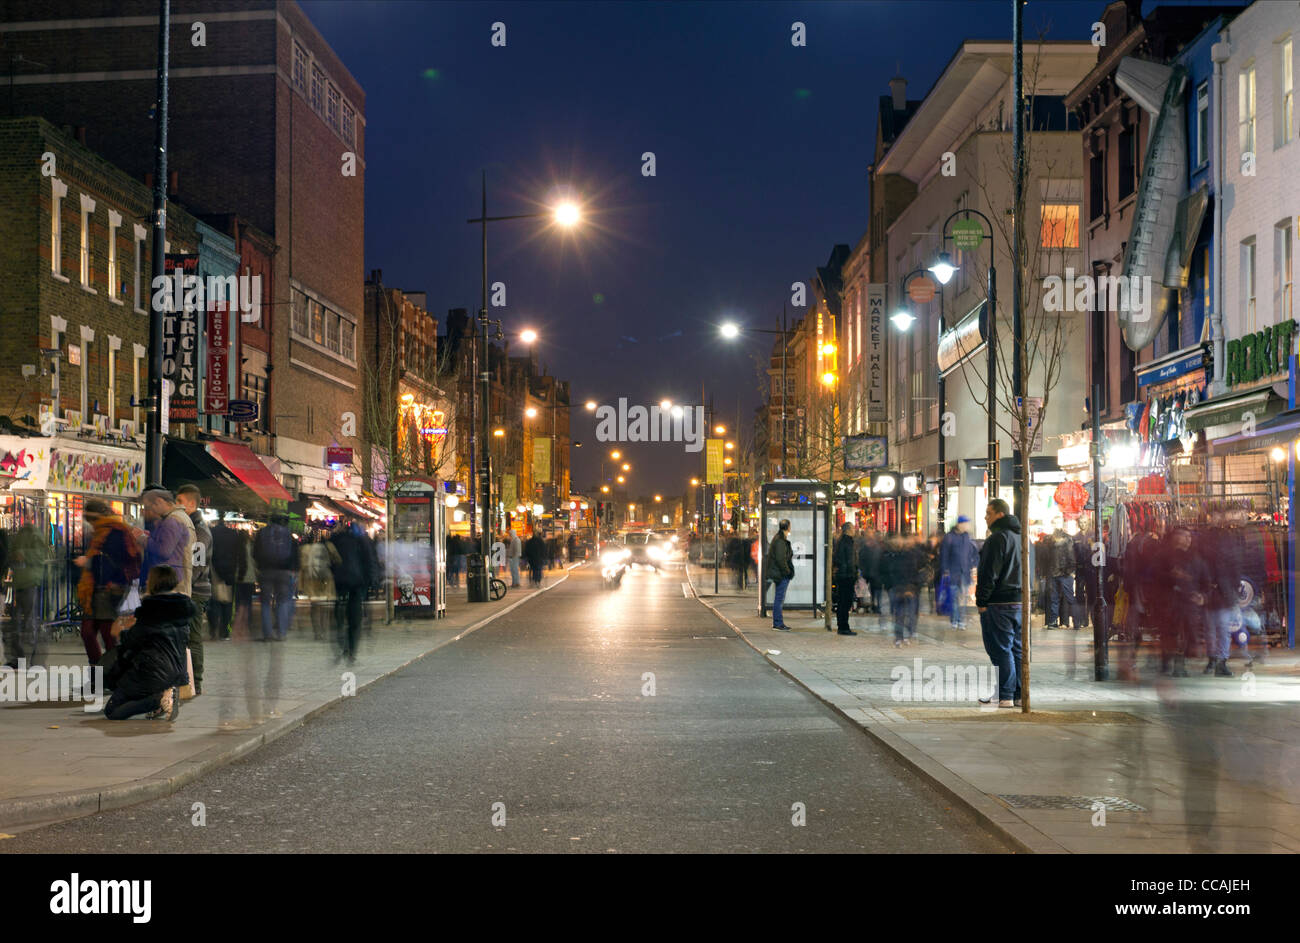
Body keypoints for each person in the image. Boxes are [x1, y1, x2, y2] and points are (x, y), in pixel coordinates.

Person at [103, 565, 190, 721]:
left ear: (156, 583)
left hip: (152, 671)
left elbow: (133, 641)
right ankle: (162, 697)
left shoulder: (151, 609)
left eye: (150, 578)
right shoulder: (182, 607)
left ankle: (159, 700)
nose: (147, 580)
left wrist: (121, 632)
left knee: (112, 710)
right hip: (176, 671)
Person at [75, 498, 142, 666]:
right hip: (95, 589)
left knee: (107, 634)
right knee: (89, 632)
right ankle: (99, 672)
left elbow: (116, 560)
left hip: (109, 588)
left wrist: (89, 561)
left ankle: (110, 673)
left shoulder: (115, 531)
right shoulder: (102, 531)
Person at [976, 499, 1022, 708]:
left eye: (988, 513)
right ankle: (1018, 693)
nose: (986, 517)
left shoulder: (997, 539)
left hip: (999, 602)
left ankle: (1006, 695)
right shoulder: (1023, 538)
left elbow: (988, 573)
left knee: (1001, 649)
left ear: (1000, 515)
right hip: (1019, 601)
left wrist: (982, 601)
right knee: (1016, 650)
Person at [174, 484, 210, 694]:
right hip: (192, 588)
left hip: (195, 591)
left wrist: (185, 583)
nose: (177, 506)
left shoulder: (199, 531)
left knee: (194, 636)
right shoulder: (190, 526)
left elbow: (198, 563)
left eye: (180, 502)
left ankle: (196, 681)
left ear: (191, 504)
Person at [5, 523, 50, 668]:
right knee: (18, 623)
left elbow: (40, 555)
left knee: (28, 623)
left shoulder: (33, 535)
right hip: (21, 582)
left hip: (29, 582)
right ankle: (21, 659)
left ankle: (31, 660)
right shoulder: (23, 534)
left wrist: (21, 555)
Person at [330, 518, 374, 663]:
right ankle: (351, 651)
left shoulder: (337, 539)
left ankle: (341, 645)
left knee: (339, 616)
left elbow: (331, 559)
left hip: (340, 582)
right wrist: (370, 583)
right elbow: (369, 562)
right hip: (356, 583)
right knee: (355, 619)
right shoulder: (363, 541)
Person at [139, 487, 195, 598]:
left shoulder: (173, 520)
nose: (151, 511)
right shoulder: (180, 517)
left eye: (149, 507)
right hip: (178, 579)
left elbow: (164, 550)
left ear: (159, 501)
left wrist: (142, 539)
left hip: (172, 581)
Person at [253, 512, 298, 641]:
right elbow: (294, 554)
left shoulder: (262, 533)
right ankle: (281, 633)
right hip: (284, 572)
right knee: (282, 601)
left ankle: (267, 634)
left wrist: (260, 566)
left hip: (266, 571)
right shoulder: (289, 534)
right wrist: (293, 571)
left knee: (265, 603)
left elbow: (255, 553)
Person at [881, 535, 924, 646]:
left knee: (903, 614)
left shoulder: (901, 556)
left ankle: (901, 636)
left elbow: (913, 573)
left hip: (903, 588)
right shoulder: (900, 556)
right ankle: (902, 636)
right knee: (904, 613)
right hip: (902, 588)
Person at [208, 518, 247, 641]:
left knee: (214, 601)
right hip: (230, 571)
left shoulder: (211, 533)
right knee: (228, 603)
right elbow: (241, 553)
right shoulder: (233, 535)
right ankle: (224, 631)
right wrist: (242, 571)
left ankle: (213, 629)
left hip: (214, 570)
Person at [300, 532, 341, 641]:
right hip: (326, 577)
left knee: (315, 606)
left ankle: (317, 632)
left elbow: (303, 565)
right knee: (324, 606)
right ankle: (323, 630)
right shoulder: (329, 546)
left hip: (312, 578)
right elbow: (338, 560)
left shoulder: (306, 548)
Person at [939, 516, 977, 629]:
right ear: (959, 524)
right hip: (953, 572)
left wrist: (973, 565)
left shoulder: (967, 537)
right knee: (955, 597)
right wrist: (945, 570)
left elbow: (973, 553)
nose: (967, 526)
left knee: (963, 598)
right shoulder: (949, 537)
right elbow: (944, 555)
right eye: (965, 524)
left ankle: (960, 620)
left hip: (964, 572)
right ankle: (955, 620)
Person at [1044, 523, 1077, 629]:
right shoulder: (1060, 544)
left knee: (1064, 598)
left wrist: (1068, 571)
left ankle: (1073, 621)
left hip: (1061, 574)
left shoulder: (1061, 544)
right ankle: (1074, 621)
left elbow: (1071, 559)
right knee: (1062, 598)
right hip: (1060, 574)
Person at [767, 518, 794, 630]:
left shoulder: (779, 539)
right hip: (781, 574)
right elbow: (781, 559)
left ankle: (777, 622)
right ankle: (778, 623)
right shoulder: (780, 541)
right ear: (787, 527)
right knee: (779, 599)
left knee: (779, 598)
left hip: (779, 573)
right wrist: (787, 571)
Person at [831, 521, 857, 636]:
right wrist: (853, 574)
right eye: (853, 528)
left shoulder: (841, 541)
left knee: (843, 602)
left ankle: (842, 625)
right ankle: (843, 627)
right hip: (846, 576)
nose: (855, 530)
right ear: (849, 530)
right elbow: (849, 561)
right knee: (845, 602)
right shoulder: (847, 542)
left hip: (843, 575)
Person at [858, 527, 883, 614]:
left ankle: (875, 606)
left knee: (875, 590)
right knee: (865, 591)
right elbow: (861, 558)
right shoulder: (863, 545)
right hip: (867, 572)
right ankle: (868, 606)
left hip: (875, 572)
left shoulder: (877, 546)